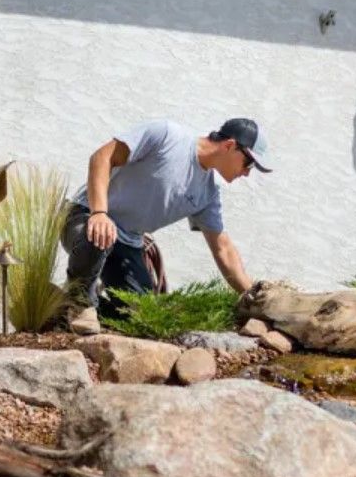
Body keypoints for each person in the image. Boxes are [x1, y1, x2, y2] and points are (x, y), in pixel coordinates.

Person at [60, 117, 272, 334]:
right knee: (100, 235)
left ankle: (64, 300)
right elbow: (102, 157)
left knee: (144, 318)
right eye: (249, 164)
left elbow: (223, 249)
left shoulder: (207, 195)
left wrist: (255, 297)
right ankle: (80, 302)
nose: (247, 172)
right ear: (229, 146)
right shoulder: (166, 136)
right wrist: (99, 213)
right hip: (85, 215)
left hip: (127, 243)